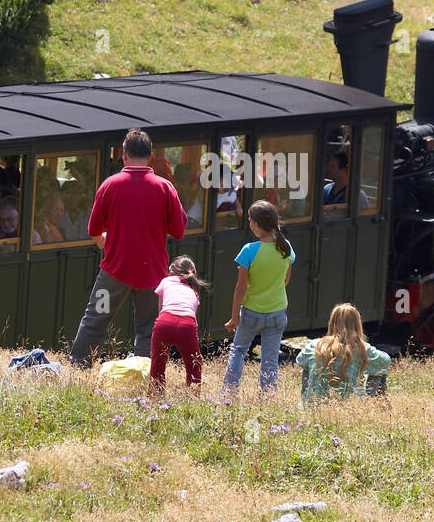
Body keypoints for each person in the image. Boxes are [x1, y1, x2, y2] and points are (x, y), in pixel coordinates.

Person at [69, 128, 188, 368]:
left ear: (124, 155)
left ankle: (79, 366)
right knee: (148, 327)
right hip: (152, 274)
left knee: (95, 319)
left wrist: (104, 239)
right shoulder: (165, 188)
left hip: (114, 272)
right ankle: (145, 374)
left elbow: (93, 228)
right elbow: (179, 230)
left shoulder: (110, 185)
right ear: (151, 155)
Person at [222, 199, 295, 393]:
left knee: (238, 351)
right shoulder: (286, 247)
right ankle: (267, 397)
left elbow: (240, 288)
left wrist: (234, 317)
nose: (249, 224)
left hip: (252, 312)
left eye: (250, 220)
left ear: (257, 224)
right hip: (278, 312)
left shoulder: (249, 250)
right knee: (270, 359)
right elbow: (286, 281)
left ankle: (229, 394)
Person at [298, 303, 391, 403]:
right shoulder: (361, 348)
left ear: (332, 322)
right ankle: (375, 405)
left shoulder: (315, 345)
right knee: (380, 369)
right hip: (347, 407)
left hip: (315, 407)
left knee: (307, 367)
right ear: (357, 324)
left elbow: (300, 360)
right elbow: (386, 361)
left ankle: (306, 401)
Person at [149, 255, 208, 396]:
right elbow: (193, 316)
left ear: (171, 271)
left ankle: (155, 398)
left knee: (158, 362)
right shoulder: (194, 291)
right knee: (194, 363)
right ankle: (193, 397)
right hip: (187, 325)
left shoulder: (166, 281)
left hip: (165, 321)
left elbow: (161, 309)